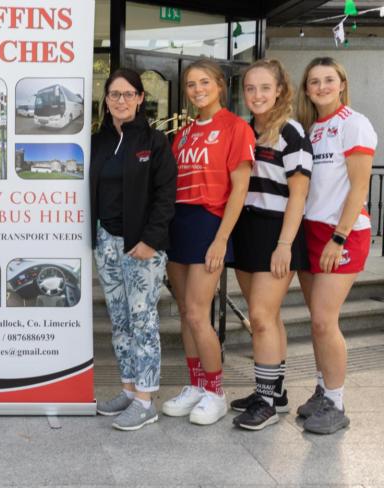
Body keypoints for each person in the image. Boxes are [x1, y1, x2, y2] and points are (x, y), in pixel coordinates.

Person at [161, 58, 255, 425]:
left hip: (209, 222)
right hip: (178, 222)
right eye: (191, 84)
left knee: (199, 313)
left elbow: (240, 188)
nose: (197, 90)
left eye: (204, 82)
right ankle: (196, 385)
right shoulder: (183, 134)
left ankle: (216, 392)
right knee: (186, 312)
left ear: (219, 85)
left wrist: (221, 238)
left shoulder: (235, 127)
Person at [228, 59, 313, 431]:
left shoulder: (291, 132)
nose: (257, 95)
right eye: (250, 88)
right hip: (246, 228)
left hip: (277, 231)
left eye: (265, 87)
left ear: (280, 90)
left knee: (261, 318)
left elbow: (299, 194)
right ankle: (273, 393)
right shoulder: (245, 130)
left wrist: (284, 245)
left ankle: (265, 403)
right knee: (268, 317)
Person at [294, 57, 377, 435]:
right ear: (307, 89)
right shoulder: (310, 129)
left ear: (342, 83)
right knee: (317, 321)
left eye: (329, 80)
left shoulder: (354, 123)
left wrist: (338, 237)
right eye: (314, 81)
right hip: (309, 230)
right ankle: (322, 389)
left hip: (341, 233)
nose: (322, 87)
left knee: (325, 320)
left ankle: (337, 402)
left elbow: (359, 187)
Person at [90, 69, 176, 430]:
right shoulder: (98, 142)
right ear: (106, 99)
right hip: (106, 244)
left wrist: (151, 241)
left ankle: (145, 399)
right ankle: (128, 389)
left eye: (128, 94)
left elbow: (166, 196)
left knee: (143, 321)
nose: (121, 100)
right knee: (120, 322)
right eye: (114, 94)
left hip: (141, 247)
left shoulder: (155, 142)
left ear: (140, 98)